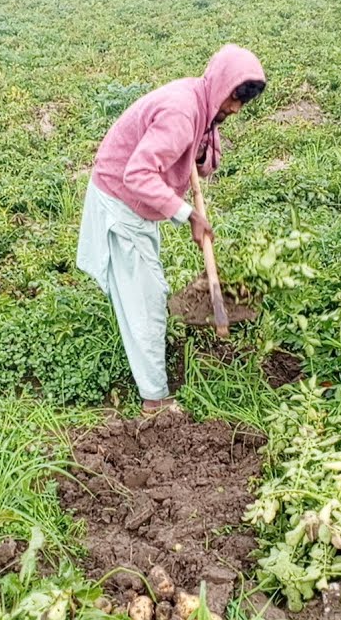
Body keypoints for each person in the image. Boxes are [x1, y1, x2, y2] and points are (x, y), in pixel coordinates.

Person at [77, 44, 266, 414]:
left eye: (242, 102)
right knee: (146, 304)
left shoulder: (203, 103)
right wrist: (188, 215)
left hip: (138, 206)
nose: (235, 109)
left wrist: (199, 150)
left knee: (144, 291)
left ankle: (152, 378)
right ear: (221, 84)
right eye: (234, 98)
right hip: (121, 203)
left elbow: (202, 158)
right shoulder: (182, 111)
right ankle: (155, 400)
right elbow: (137, 175)